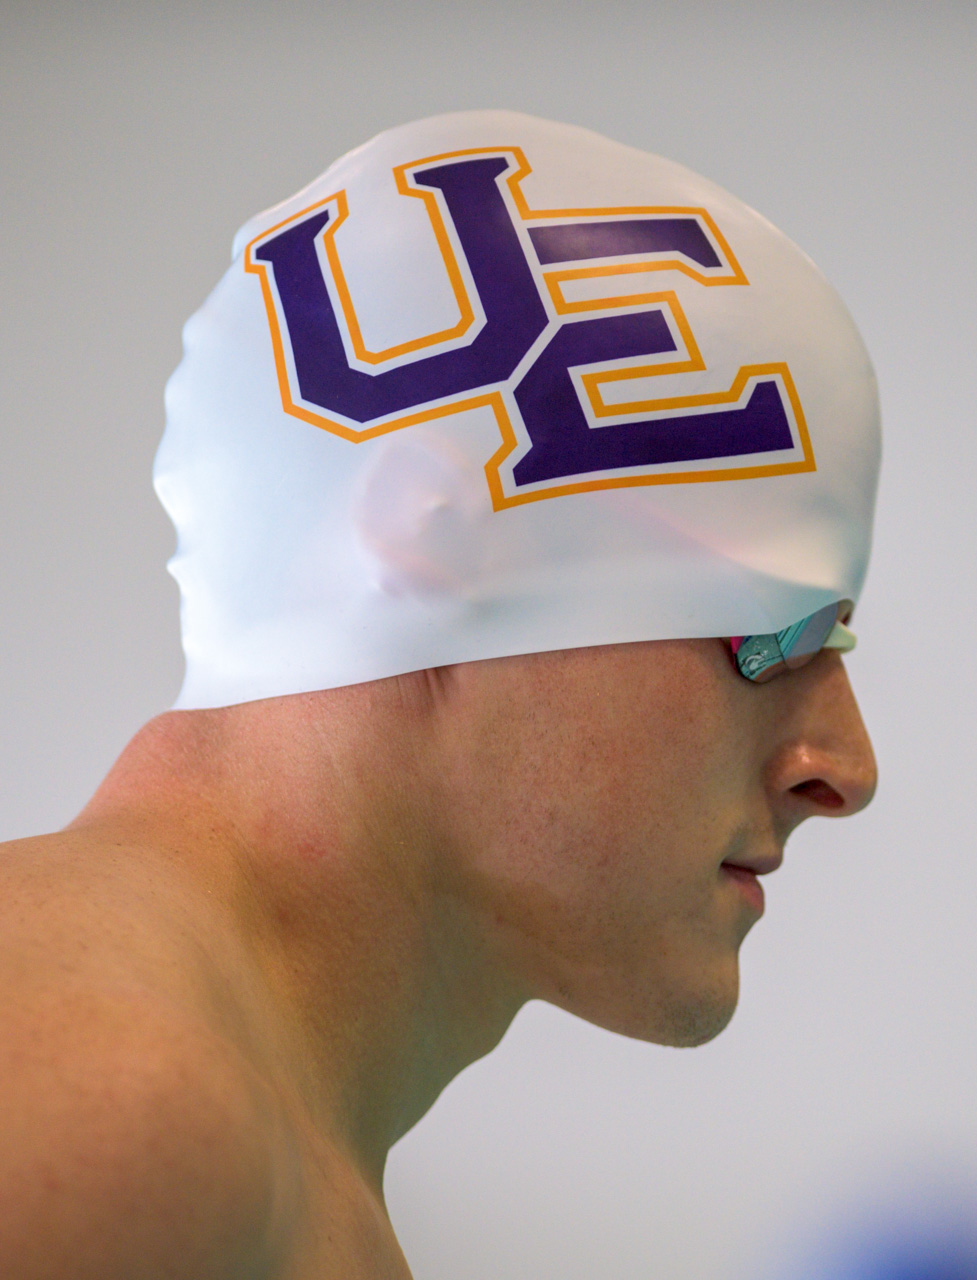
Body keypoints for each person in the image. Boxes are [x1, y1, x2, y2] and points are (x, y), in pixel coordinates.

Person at [0, 111, 880, 1279]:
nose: (845, 767)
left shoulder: (254, 1137)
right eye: (778, 632)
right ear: (438, 550)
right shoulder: (117, 1105)